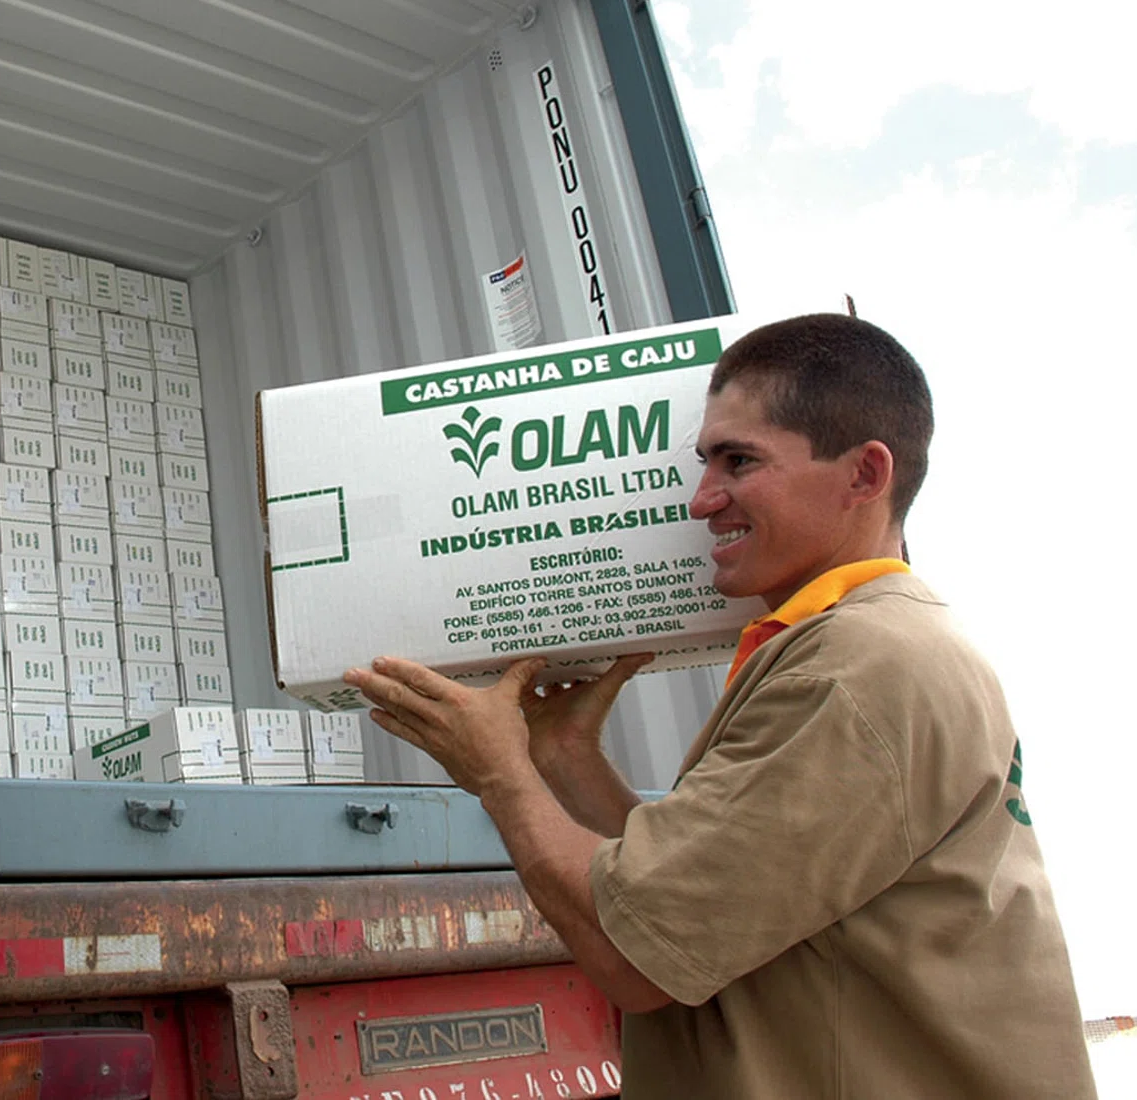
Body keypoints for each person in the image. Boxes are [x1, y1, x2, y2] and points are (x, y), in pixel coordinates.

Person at [345, 314, 1094, 1097]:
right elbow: (694, 904)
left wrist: (502, 777)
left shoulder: (855, 671)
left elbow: (638, 958)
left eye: (739, 461)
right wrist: (564, 760)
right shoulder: (874, 646)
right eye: (706, 462)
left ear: (866, 476)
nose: (702, 501)